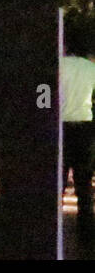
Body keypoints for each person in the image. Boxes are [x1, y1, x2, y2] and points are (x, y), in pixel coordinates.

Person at [61, 14, 95, 234]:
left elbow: (42, 98)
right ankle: (86, 230)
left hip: (60, 128)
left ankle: (55, 228)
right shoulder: (90, 68)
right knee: (84, 182)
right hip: (85, 128)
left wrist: (44, 112)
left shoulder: (56, 66)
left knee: (58, 179)